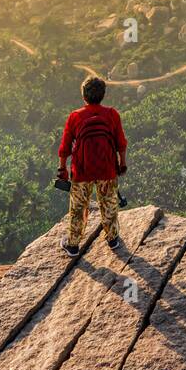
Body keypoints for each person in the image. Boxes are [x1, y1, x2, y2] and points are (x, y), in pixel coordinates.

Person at [57, 76, 127, 257]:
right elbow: (121, 143)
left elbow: (65, 148)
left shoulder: (75, 116)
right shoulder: (112, 114)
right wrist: (122, 163)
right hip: (107, 169)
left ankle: (72, 244)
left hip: (81, 171)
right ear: (103, 95)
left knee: (78, 208)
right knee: (109, 203)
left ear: (84, 96)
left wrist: (62, 169)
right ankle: (112, 239)